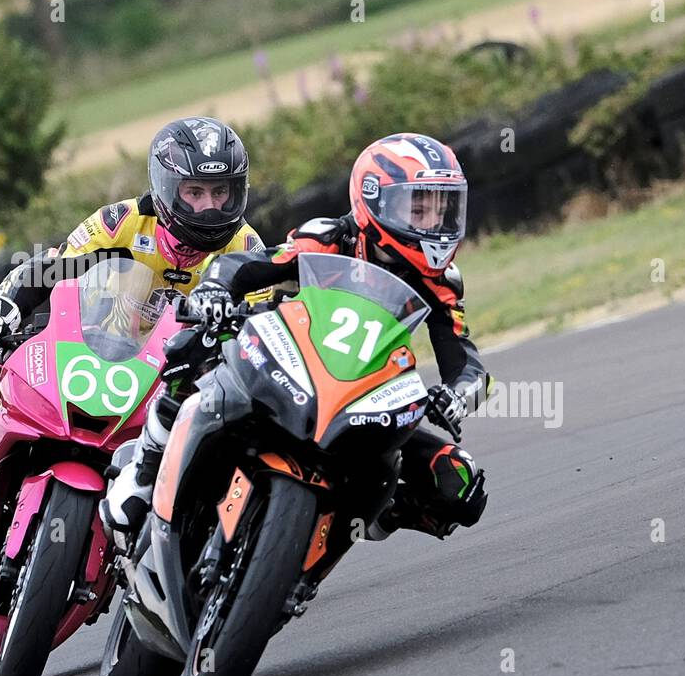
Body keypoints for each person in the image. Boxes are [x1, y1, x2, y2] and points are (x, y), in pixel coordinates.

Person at [101, 132, 489, 546]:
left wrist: (457, 396)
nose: (434, 224)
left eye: (443, 209)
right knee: (193, 347)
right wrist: (214, 290)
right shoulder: (328, 237)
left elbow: (466, 363)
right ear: (375, 200)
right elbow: (249, 265)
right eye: (418, 208)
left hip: (362, 405)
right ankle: (146, 469)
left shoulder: (442, 283)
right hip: (283, 369)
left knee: (460, 484)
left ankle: (364, 517)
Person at [0, 117, 263, 538]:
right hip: (96, 347)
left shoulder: (247, 248)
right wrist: (1, 313)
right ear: (166, 187)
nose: (209, 207)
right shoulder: (119, 221)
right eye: (194, 192)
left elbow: (257, 329)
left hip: (175, 378)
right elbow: (49, 269)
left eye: (221, 193)